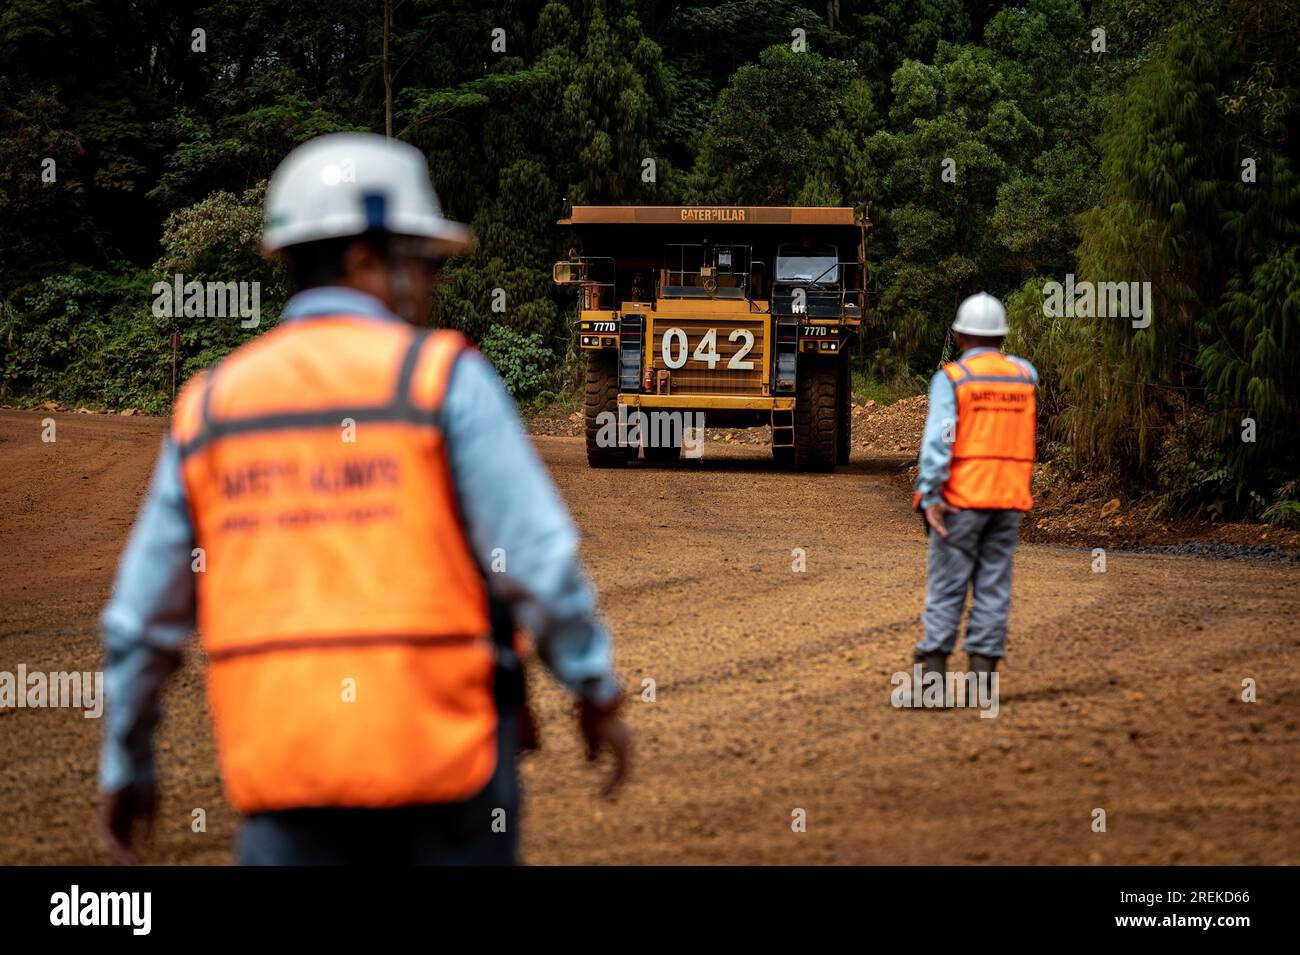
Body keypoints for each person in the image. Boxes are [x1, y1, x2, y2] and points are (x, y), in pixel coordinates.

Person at [97, 132, 629, 865]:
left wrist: (126, 764)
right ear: (366, 259)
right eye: (426, 262)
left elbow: (140, 623)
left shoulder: (213, 407)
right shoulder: (443, 380)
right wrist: (594, 688)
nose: (436, 283)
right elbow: (540, 563)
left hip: (285, 782)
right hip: (446, 780)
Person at [912, 292, 1038, 678]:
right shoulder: (1024, 376)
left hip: (960, 500)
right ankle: (982, 679)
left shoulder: (953, 379)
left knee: (948, 586)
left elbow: (939, 441)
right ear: (1002, 337)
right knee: (993, 586)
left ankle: (932, 678)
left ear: (957, 336)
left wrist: (929, 494)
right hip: (1009, 500)